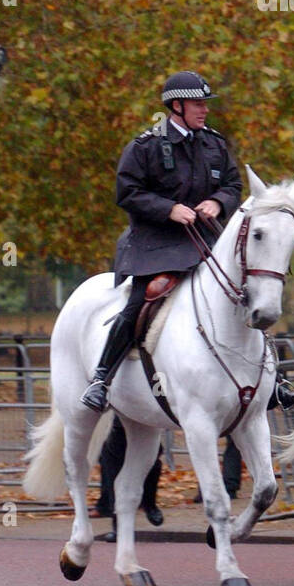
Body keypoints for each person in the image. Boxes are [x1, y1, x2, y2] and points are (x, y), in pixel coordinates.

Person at [81, 70, 243, 411]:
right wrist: (169, 209)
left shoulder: (214, 144)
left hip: (206, 242)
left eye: (205, 104)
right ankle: (101, 379)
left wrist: (218, 202)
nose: (204, 110)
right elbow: (127, 192)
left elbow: (232, 185)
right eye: (198, 104)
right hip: (156, 244)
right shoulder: (146, 146)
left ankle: (270, 381)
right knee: (142, 299)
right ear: (177, 105)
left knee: (245, 293)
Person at [93, 414, 164, 541]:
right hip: (118, 419)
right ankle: (118, 526)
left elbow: (158, 392)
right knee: (114, 472)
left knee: (152, 463)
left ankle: (149, 504)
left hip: (148, 418)